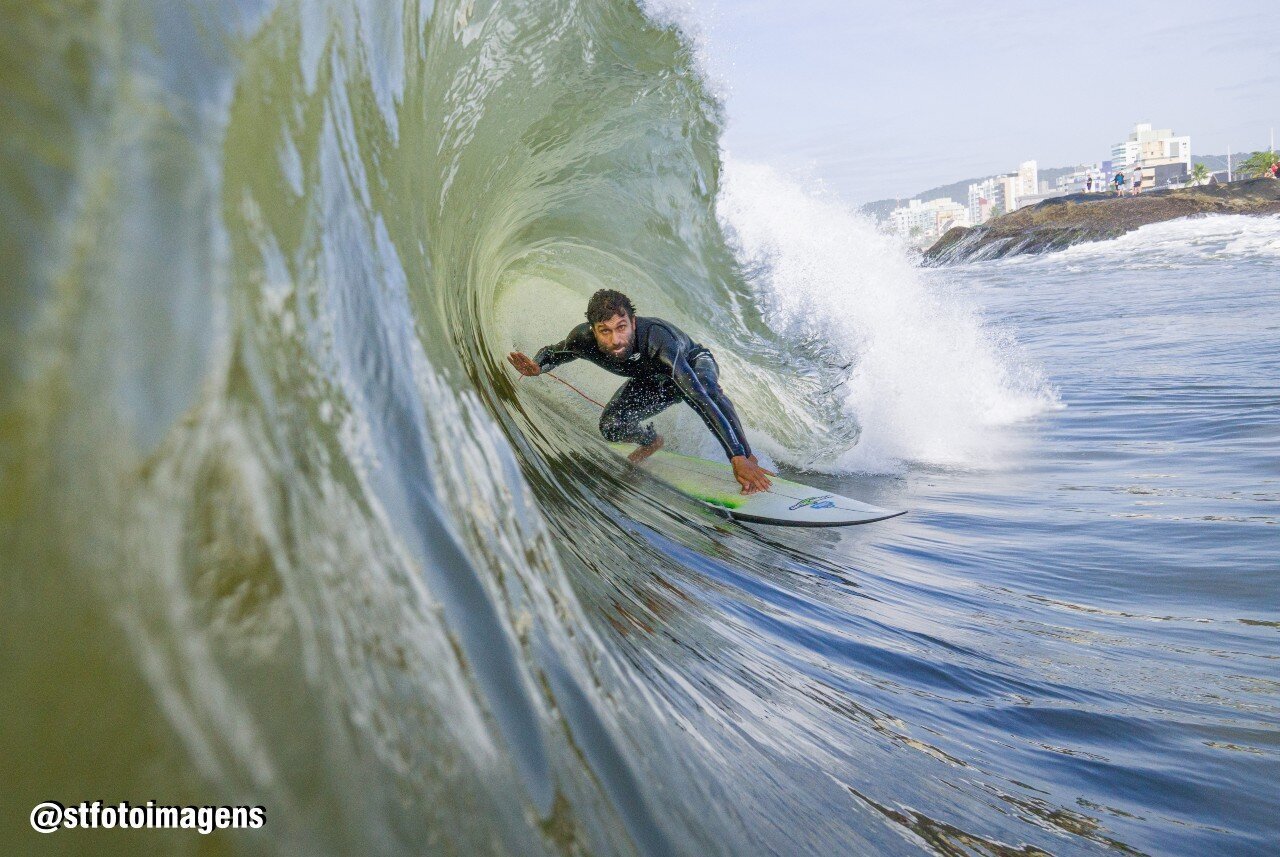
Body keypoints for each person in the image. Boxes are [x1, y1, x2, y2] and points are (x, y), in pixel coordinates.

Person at [508, 289, 774, 494]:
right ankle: (650, 441)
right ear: (593, 330)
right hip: (651, 379)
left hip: (691, 364)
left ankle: (748, 458)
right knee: (611, 426)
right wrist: (538, 367)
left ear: (633, 322)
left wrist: (737, 454)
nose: (616, 340)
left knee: (705, 389)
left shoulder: (659, 343)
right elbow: (555, 352)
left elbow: (701, 399)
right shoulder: (583, 339)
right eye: (605, 331)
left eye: (621, 327)